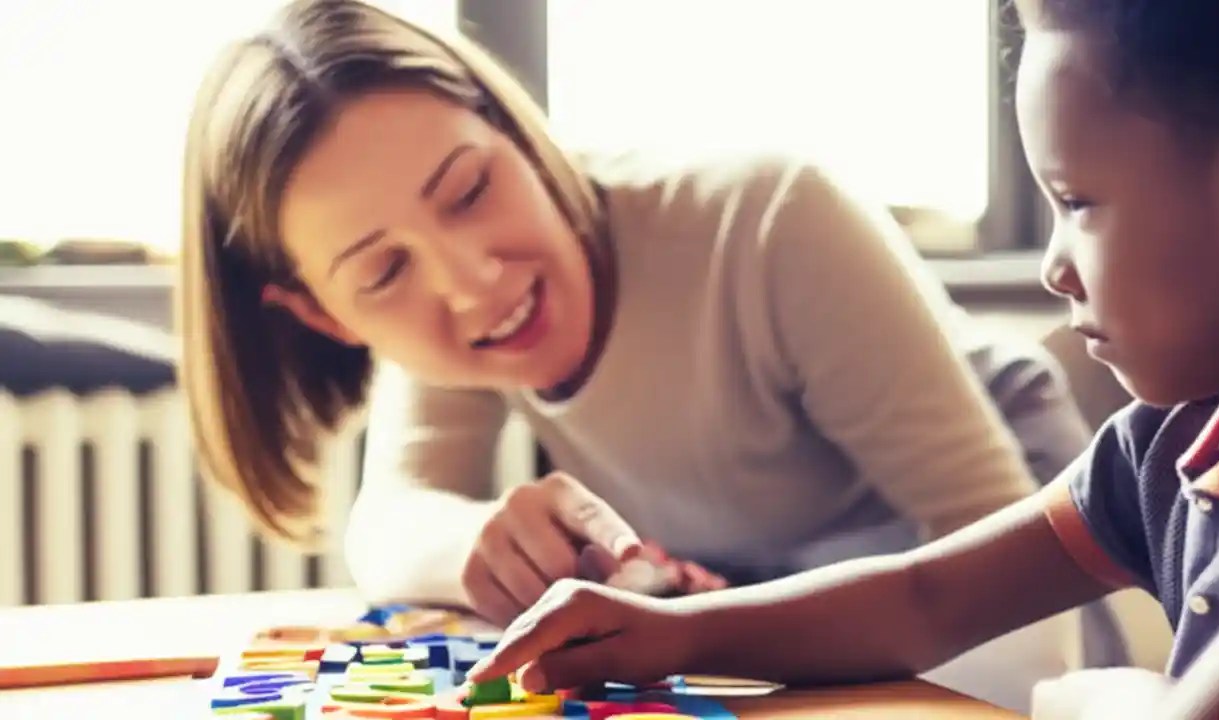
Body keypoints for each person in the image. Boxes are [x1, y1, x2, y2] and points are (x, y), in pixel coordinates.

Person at [178, 0, 1100, 709]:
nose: (472, 280)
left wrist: (717, 623)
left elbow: (1005, 586)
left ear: (519, 132)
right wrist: (479, 544)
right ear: (323, 314)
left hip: (1022, 554)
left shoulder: (770, 218)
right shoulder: (451, 323)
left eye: (468, 190)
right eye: (381, 273)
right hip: (764, 591)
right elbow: (387, 523)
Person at [467, 0, 1219, 717]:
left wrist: (1115, 698)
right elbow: (925, 600)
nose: (1052, 268)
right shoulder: (1164, 446)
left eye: (1076, 204)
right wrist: (673, 633)